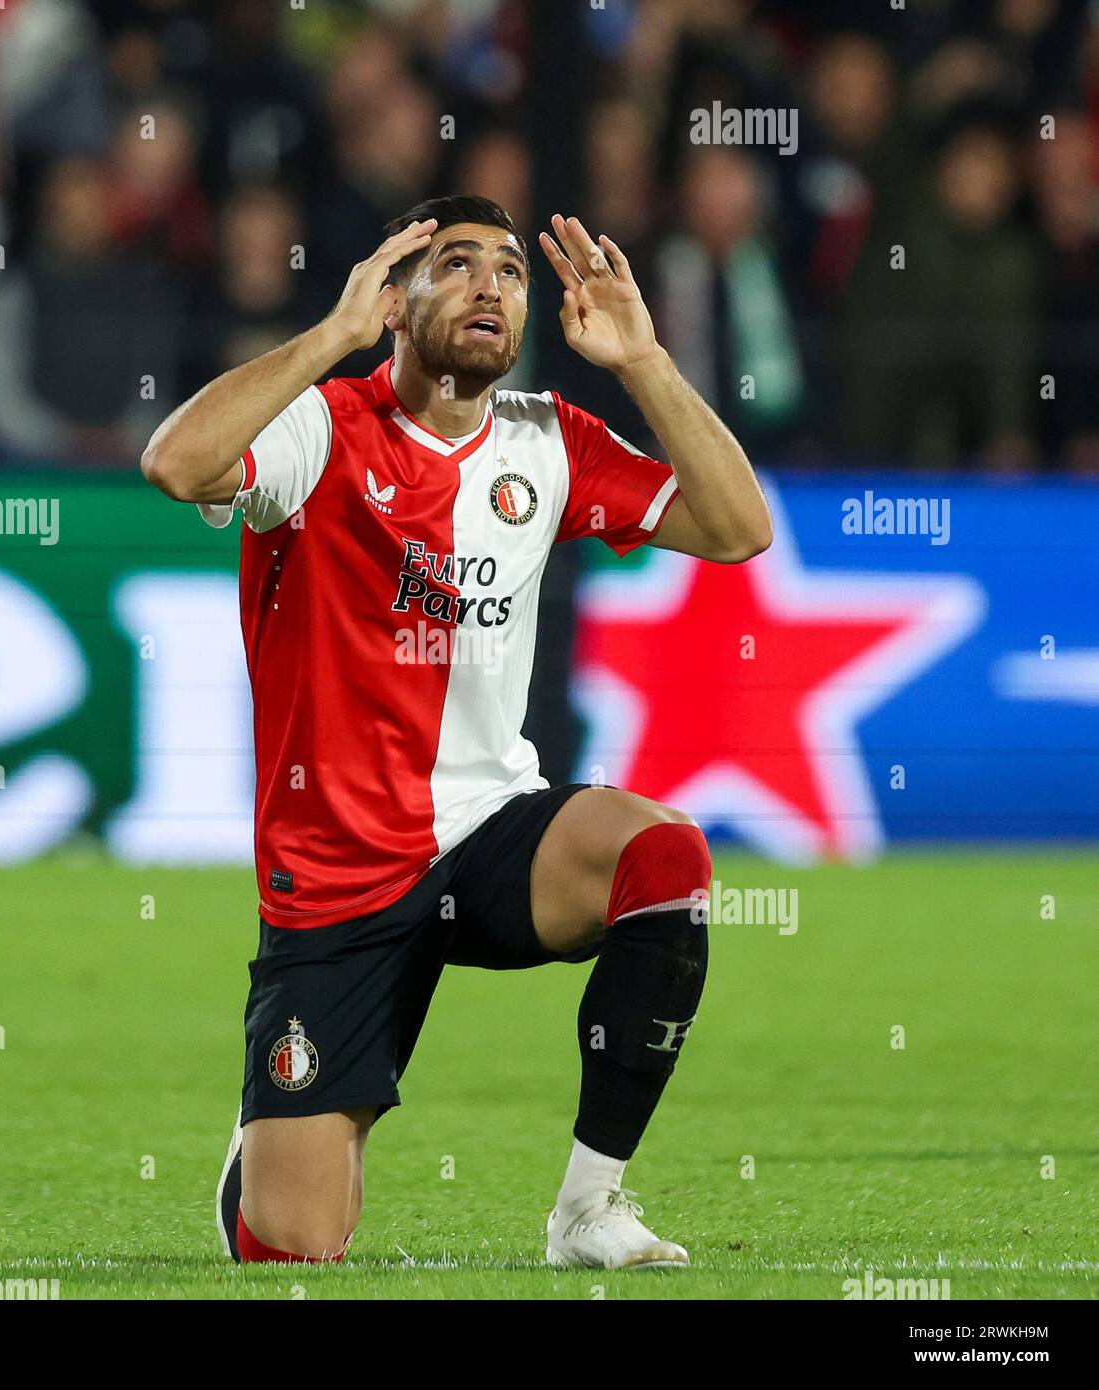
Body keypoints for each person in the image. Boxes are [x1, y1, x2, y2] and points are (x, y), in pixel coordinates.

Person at [141, 195, 771, 1269]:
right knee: (293, 1249)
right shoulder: (317, 426)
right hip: (337, 872)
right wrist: (333, 336)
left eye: (511, 270)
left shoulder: (547, 441)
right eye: (456, 263)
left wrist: (645, 364)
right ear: (396, 297)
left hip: (485, 828)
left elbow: (738, 529)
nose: (491, 283)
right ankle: (266, 1147)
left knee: (663, 856)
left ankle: (587, 1208)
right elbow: (175, 463)